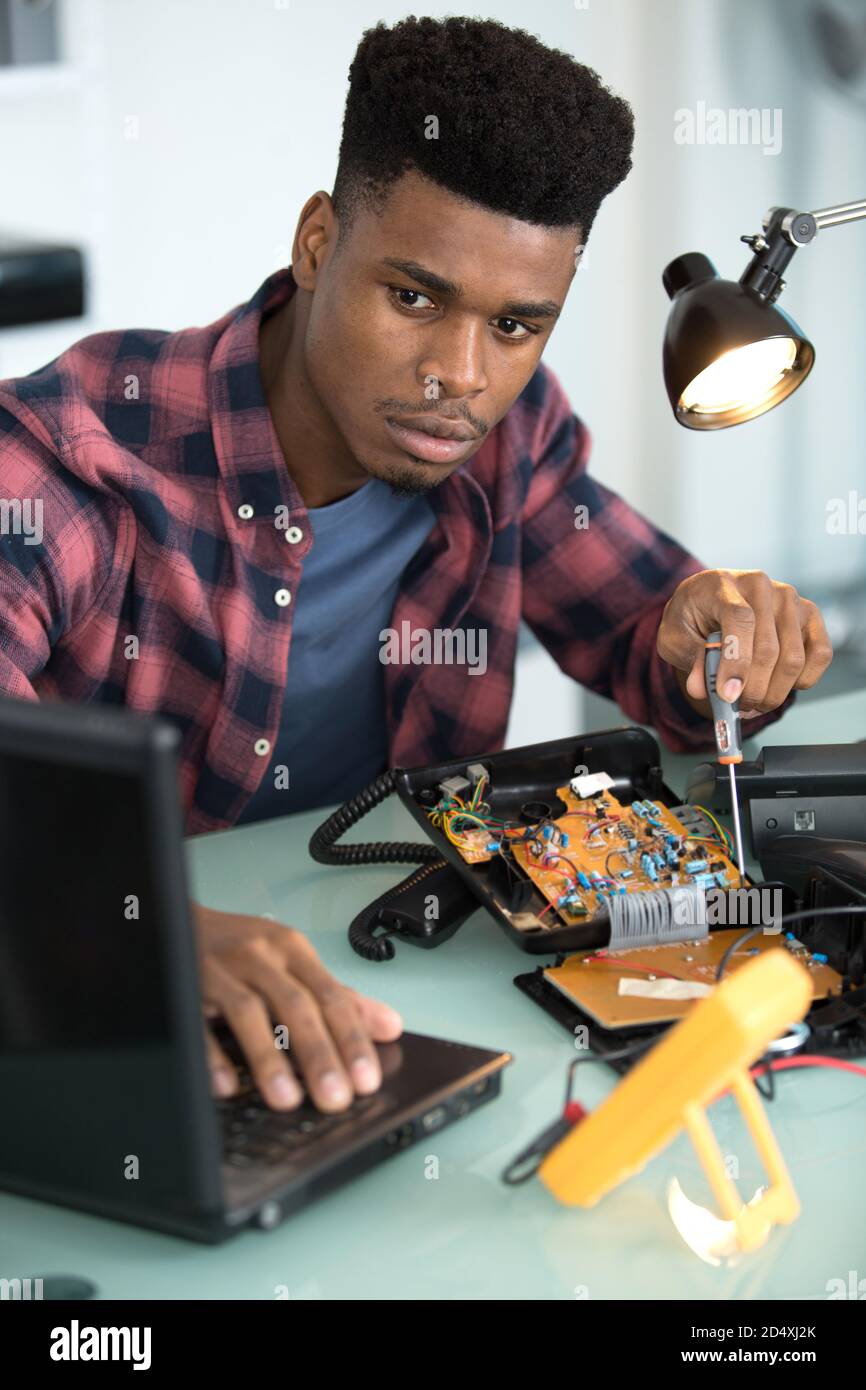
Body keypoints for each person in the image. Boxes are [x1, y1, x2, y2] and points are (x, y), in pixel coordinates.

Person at [0, 17, 832, 1114]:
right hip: (112, 1018)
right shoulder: (76, 452)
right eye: (414, 297)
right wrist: (129, 913)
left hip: (403, 1007)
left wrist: (716, 636)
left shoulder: (513, 431)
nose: (457, 378)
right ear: (314, 242)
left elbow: (652, 637)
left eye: (517, 324)